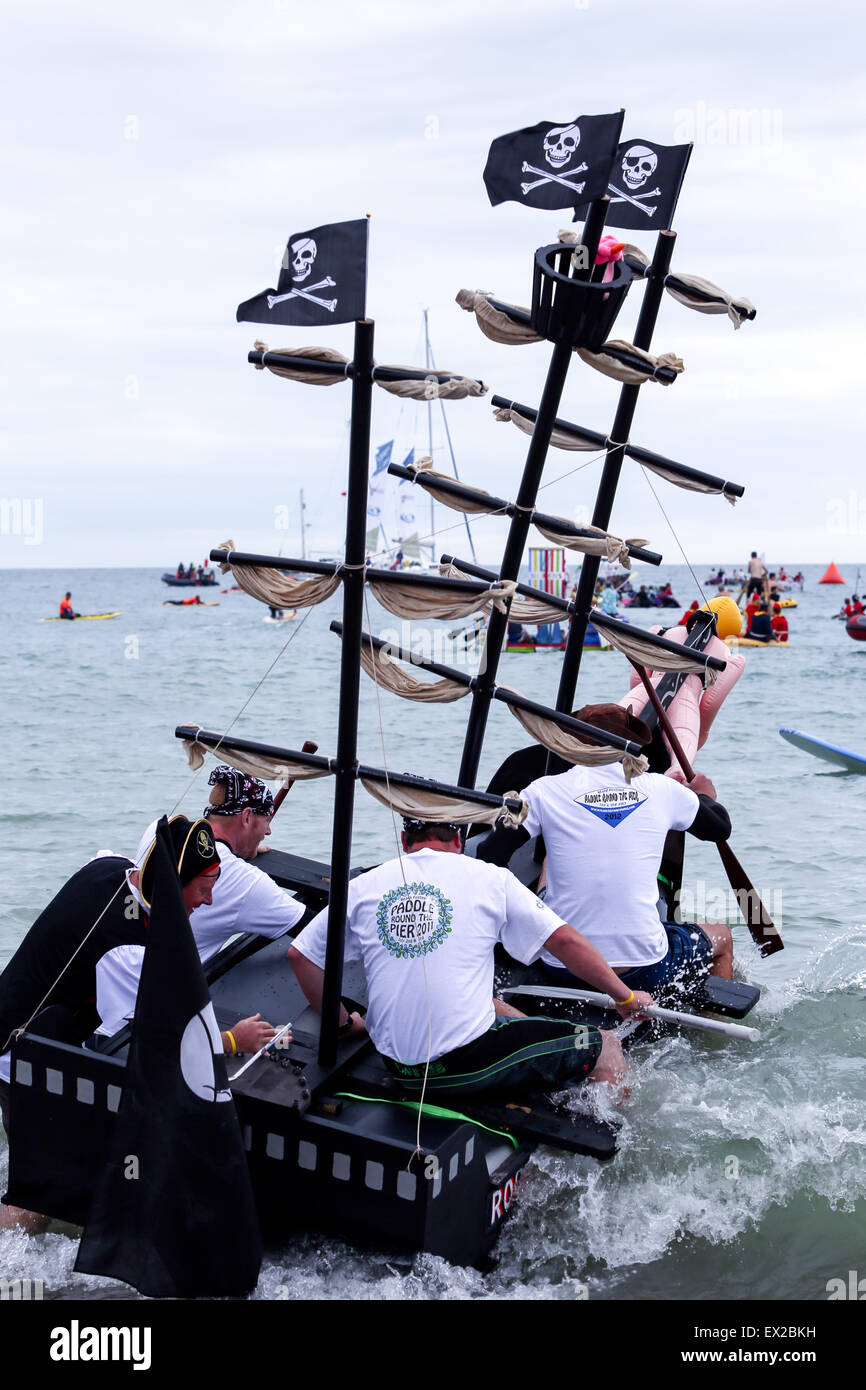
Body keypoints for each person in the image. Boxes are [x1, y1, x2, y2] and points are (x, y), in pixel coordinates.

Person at [0, 816, 275, 1230]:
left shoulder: (111, 867)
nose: (210, 901)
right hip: (21, 1058)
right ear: (171, 883)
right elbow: (159, 1044)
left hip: (25, 1023)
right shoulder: (126, 952)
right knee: (42, 1199)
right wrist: (234, 1039)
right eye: (203, 889)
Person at [289, 817, 654, 1098]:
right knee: (606, 1046)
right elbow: (566, 943)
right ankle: (617, 1155)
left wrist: (342, 1026)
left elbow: (300, 955)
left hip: (398, 1065)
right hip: (461, 1065)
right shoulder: (490, 877)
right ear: (459, 841)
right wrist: (624, 996)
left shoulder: (365, 884)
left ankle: (539, 1050)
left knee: (490, 1003)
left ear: (404, 842)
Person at [476, 703, 734, 992]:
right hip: (644, 967)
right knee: (722, 937)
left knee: (550, 860)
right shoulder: (663, 788)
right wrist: (704, 797)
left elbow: (490, 854)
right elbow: (720, 827)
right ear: (631, 746)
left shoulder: (543, 790)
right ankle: (708, 1029)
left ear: (570, 742)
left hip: (564, 965)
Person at [91, 767, 306, 1045]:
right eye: (265, 821)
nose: (269, 830)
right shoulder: (246, 883)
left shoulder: (159, 834)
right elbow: (314, 930)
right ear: (247, 816)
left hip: (114, 988)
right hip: (155, 1006)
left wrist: (243, 849)